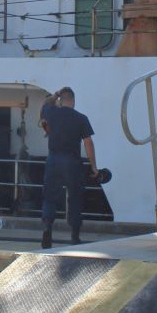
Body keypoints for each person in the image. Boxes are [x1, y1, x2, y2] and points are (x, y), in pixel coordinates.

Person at [38, 87, 97, 248]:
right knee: (75, 198)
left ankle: (47, 229)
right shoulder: (81, 118)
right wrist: (94, 166)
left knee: (49, 197)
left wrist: (55, 94)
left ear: (60, 101)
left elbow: (44, 104)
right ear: (74, 101)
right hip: (72, 162)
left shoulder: (51, 112)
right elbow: (88, 143)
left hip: (53, 160)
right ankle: (75, 236)